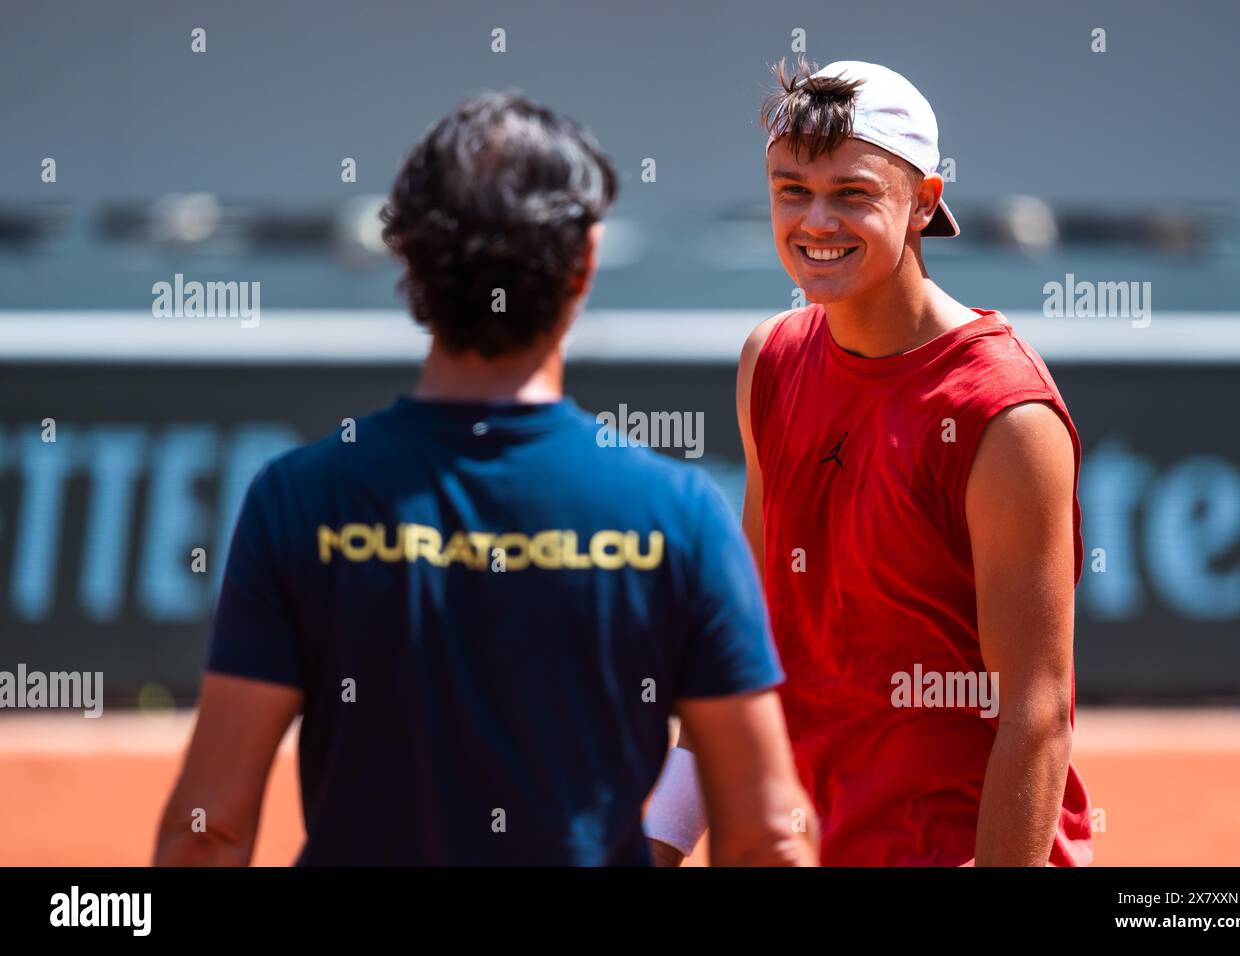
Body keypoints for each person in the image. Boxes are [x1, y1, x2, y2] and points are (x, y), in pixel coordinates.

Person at [155, 92, 816, 867]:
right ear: (586, 261)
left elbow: (213, 828)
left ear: (408, 258)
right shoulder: (679, 516)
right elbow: (767, 836)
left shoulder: (298, 499)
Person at [646, 60, 1091, 866]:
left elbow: (1036, 713)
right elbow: (749, 650)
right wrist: (659, 837)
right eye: (791, 191)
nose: (816, 221)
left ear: (924, 201)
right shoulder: (769, 361)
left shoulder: (1006, 414)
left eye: (852, 193)